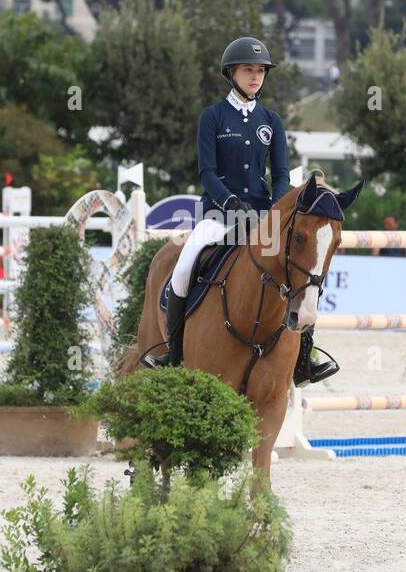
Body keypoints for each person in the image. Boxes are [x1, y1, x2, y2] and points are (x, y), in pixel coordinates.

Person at [143, 36, 338, 386]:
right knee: (185, 265)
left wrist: (277, 211)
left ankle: (303, 358)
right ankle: (172, 350)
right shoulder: (213, 117)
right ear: (231, 72)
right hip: (220, 214)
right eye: (249, 70)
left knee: (300, 272)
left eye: (261, 71)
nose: (255, 76)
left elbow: (280, 174)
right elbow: (207, 173)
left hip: (263, 217)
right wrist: (230, 202)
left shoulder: (271, 121)